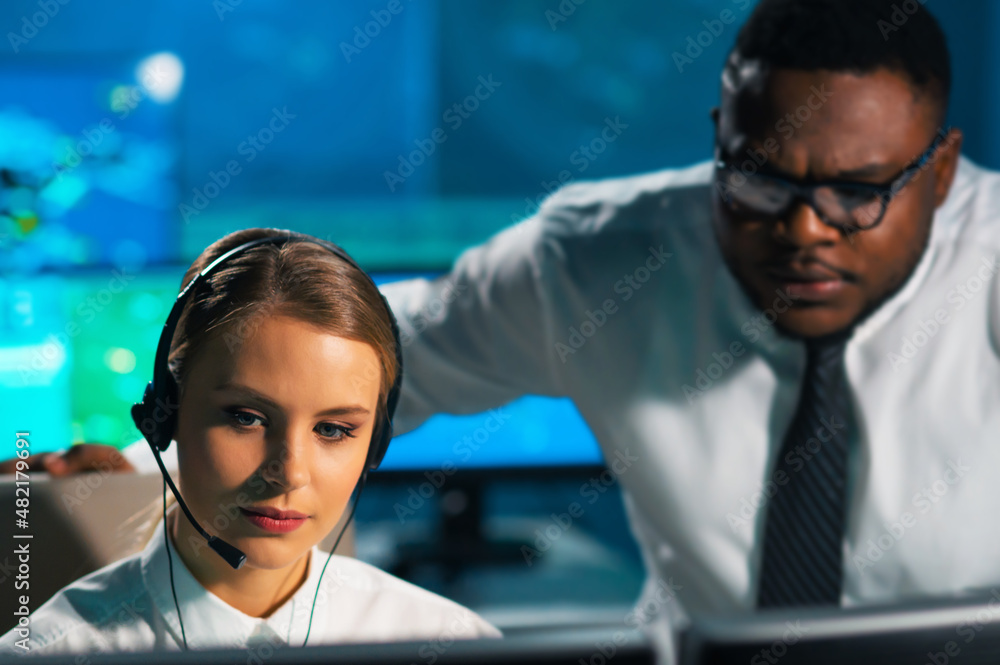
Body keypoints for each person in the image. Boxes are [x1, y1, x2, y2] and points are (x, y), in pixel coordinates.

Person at [6, 0, 999, 660]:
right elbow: (362, 350)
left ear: (944, 169)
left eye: (859, 191)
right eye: (761, 180)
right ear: (719, 143)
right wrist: (135, 463)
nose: (804, 228)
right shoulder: (599, 261)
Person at [0, 229, 499, 656]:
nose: (290, 473)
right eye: (247, 418)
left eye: (333, 429)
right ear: (165, 416)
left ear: (376, 442)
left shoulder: (453, 642)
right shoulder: (50, 653)